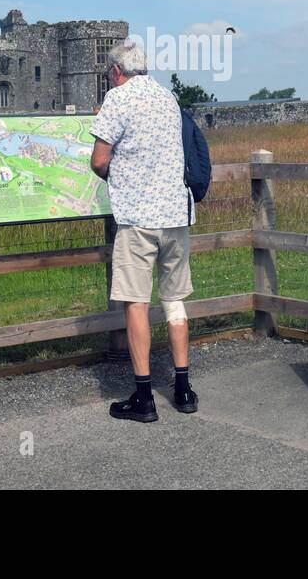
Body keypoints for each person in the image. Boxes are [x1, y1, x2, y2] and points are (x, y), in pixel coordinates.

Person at [91, 40, 196, 422]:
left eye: (108, 75)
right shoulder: (167, 97)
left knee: (136, 301)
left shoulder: (118, 100)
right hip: (176, 215)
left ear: (116, 72)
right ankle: (183, 389)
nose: (109, 80)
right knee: (173, 299)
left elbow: (99, 160)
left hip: (138, 217)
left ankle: (143, 396)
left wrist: (116, 174)